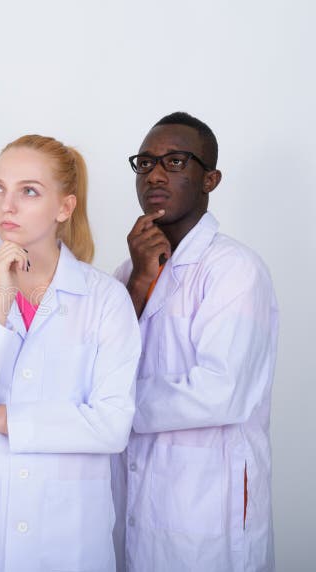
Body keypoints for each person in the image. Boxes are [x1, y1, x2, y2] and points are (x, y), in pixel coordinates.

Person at [0, 135, 140, 571]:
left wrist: (4, 418)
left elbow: (112, 426)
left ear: (65, 207)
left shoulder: (105, 299)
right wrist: (0, 305)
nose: (7, 205)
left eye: (28, 191)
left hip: (66, 538)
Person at [112, 112, 278, 571]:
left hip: (207, 498)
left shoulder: (234, 269)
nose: (156, 174)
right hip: (137, 491)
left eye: (175, 161)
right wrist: (142, 279)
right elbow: (100, 362)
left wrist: (111, 407)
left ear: (210, 179)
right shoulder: (127, 273)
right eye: (144, 163)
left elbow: (220, 392)